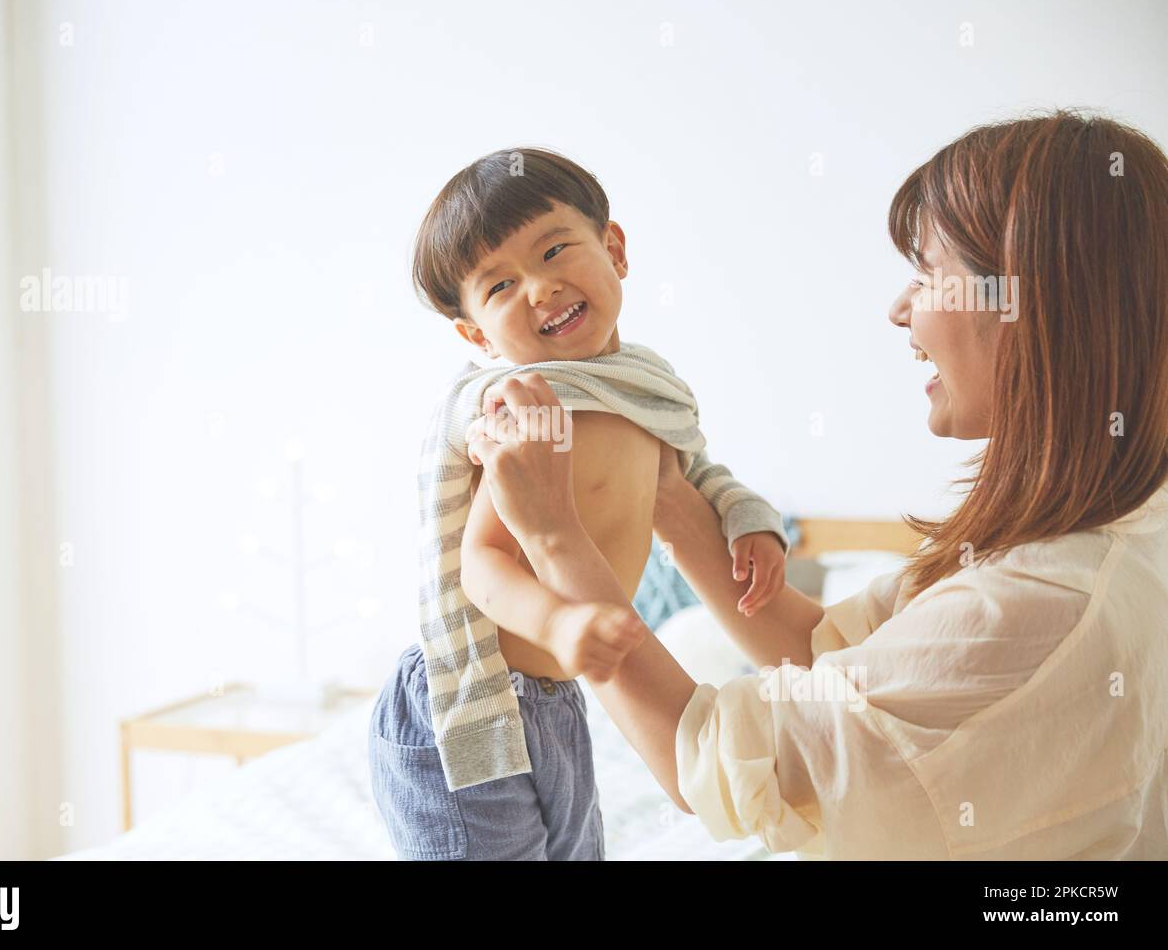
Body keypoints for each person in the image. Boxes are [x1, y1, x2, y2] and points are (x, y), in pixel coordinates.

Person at [465, 111, 1168, 859]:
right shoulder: (1099, 532)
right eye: (501, 285)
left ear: (1036, 306)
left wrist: (552, 539)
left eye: (929, 274)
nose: (901, 309)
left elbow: (711, 760)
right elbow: (826, 655)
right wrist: (676, 501)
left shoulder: (1039, 603)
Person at [368, 148, 789, 860]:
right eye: (500, 285)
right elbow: (483, 559)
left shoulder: (642, 390)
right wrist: (557, 621)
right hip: (473, 701)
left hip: (559, 698)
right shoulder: (525, 411)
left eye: (554, 248)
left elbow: (694, 472)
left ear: (614, 249)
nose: (539, 287)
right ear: (476, 335)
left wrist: (754, 524)